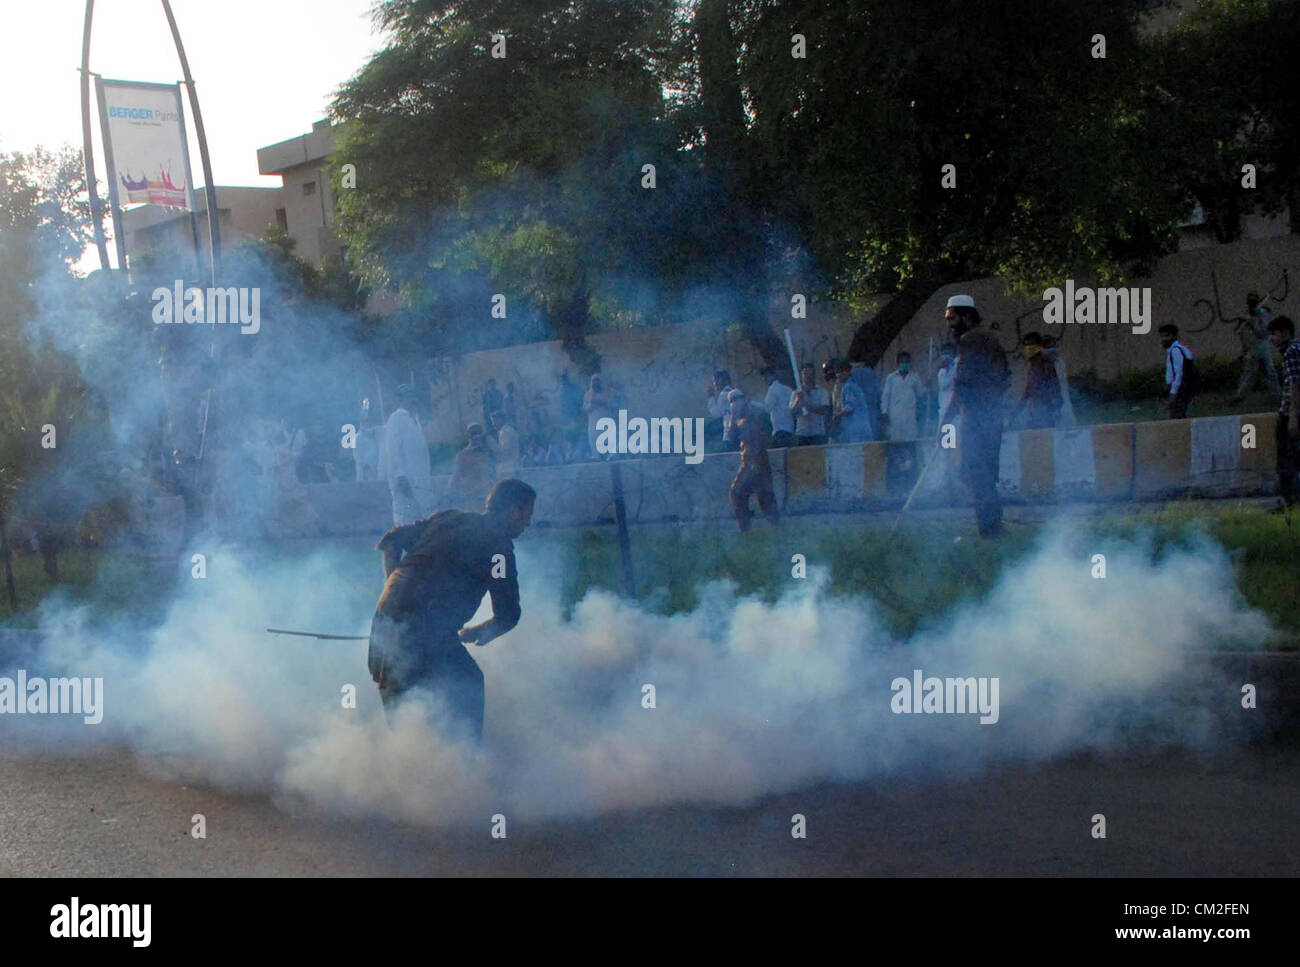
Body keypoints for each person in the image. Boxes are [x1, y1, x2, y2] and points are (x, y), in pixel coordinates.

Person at [369, 479, 536, 742]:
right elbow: (507, 615)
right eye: (528, 513)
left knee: (404, 721)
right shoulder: (498, 552)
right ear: (515, 511)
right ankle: (466, 767)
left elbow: (391, 543)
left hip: (383, 624)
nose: (528, 522)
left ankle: (402, 772)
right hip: (425, 633)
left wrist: (396, 595)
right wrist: (475, 633)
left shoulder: (449, 519)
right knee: (466, 684)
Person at [938, 294, 1009, 538]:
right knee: (982, 475)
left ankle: (989, 531)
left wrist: (946, 420)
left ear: (967, 316)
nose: (950, 324)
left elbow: (962, 384)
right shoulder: (991, 339)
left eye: (953, 318)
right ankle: (994, 525)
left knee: (975, 474)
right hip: (992, 416)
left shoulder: (970, 340)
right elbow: (1005, 378)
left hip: (976, 420)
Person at [727, 389, 779, 531]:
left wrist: (755, 462)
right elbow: (731, 436)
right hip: (749, 461)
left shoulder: (753, 415)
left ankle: (773, 526)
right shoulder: (740, 416)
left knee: (759, 495)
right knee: (743, 494)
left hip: (755, 460)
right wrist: (733, 416)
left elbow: (758, 439)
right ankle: (747, 527)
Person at [383, 384, 434, 525]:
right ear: (401, 400)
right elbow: (393, 451)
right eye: (409, 397)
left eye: (414, 396)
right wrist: (400, 476)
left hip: (420, 480)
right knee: (405, 521)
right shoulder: (396, 418)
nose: (413, 400)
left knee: (423, 522)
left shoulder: (415, 419)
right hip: (405, 481)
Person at [1267, 316, 1300, 506]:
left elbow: (1295, 384)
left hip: (1290, 414)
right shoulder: (1295, 349)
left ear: (1286, 333)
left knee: (1286, 461)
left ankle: (1290, 504)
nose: (1272, 338)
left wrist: (1293, 417)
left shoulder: (1291, 352)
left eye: (1274, 334)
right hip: (1290, 413)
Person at [1231, 292, 1277, 402]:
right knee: (1249, 371)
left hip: (1263, 345)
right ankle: (1239, 395)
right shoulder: (1248, 315)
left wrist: (1254, 323)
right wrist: (1244, 350)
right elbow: (1242, 334)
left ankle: (1278, 394)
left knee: (1270, 370)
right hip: (1253, 346)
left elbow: (1263, 333)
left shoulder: (1262, 314)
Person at [1013, 332, 1062, 429]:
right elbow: (1028, 392)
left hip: (1045, 414)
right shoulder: (1033, 366)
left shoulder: (1045, 364)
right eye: (1026, 345)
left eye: (1030, 345)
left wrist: (1055, 409)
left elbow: (1055, 388)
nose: (1027, 348)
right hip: (1035, 414)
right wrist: (1016, 413)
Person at [446, 423, 496, 511]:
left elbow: (491, 473)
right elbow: (456, 475)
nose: (477, 435)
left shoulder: (486, 454)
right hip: (471, 496)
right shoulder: (462, 455)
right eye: (474, 433)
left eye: (479, 432)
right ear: (469, 435)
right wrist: (448, 492)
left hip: (486, 495)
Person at [880, 351, 923, 441]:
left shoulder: (914, 377)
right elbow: (885, 396)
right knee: (896, 440)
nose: (905, 364)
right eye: (903, 362)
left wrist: (927, 387)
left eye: (907, 362)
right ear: (898, 363)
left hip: (910, 414)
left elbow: (920, 394)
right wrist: (884, 412)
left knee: (910, 439)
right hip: (895, 414)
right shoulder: (891, 378)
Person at [1159, 324, 1197, 419]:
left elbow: (1179, 374)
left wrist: (1173, 393)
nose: (1164, 339)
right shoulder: (1177, 350)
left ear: (1174, 336)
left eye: (1167, 336)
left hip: (1181, 389)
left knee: (1177, 417)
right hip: (1180, 389)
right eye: (1162, 336)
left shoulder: (1176, 350)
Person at [790, 363, 831, 445]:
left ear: (814, 375)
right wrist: (797, 399)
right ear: (801, 376)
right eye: (805, 374)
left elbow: (824, 410)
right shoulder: (796, 393)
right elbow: (792, 412)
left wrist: (808, 407)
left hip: (817, 434)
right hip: (801, 434)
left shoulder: (822, 392)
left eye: (810, 374)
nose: (808, 377)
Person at [1041, 335, 1076, 427]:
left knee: (1069, 427)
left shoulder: (1059, 363)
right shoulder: (1042, 366)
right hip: (1048, 405)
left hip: (1063, 401)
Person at [834, 359, 872, 442]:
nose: (838, 375)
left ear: (847, 372)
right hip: (860, 426)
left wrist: (837, 415)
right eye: (837, 372)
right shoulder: (851, 385)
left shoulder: (848, 386)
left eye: (840, 372)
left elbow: (849, 408)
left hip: (856, 428)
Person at [761, 364, 797, 448]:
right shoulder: (789, 390)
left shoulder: (773, 389)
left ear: (773, 375)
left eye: (766, 376)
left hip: (779, 430)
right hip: (790, 429)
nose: (764, 379)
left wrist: (753, 403)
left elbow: (767, 408)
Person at [584, 373, 616, 460]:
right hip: (593, 421)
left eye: (597, 381)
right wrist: (591, 405)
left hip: (606, 419)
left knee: (608, 438)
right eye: (593, 381)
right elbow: (585, 408)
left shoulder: (608, 392)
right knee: (594, 438)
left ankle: (611, 455)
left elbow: (613, 405)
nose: (595, 383)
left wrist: (604, 403)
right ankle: (596, 456)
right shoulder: (588, 394)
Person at [352, 399, 384, 482]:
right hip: (368, 478)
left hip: (381, 474)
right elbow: (360, 462)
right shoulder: (357, 438)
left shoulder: (378, 433)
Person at [705, 369, 737, 450]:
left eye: (716, 380)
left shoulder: (723, 395)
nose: (714, 384)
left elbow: (715, 413)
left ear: (723, 380)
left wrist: (710, 397)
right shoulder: (736, 393)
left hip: (729, 434)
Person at [489, 410, 520, 475]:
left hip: (508, 468)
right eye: (492, 422)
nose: (493, 424)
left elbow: (504, 452)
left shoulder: (505, 432)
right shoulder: (508, 430)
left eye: (494, 421)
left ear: (501, 420)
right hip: (511, 467)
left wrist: (491, 443)